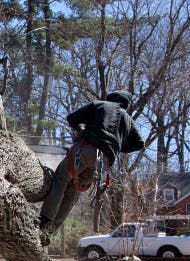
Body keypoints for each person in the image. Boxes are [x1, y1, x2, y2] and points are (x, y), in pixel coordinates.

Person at [39, 90, 145, 243]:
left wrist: (81, 130)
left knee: (61, 179)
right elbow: (139, 143)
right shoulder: (127, 119)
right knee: (74, 191)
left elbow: (72, 118)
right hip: (103, 163)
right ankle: (49, 231)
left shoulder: (98, 105)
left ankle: (44, 221)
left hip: (84, 151)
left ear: (109, 98)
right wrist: (116, 146)